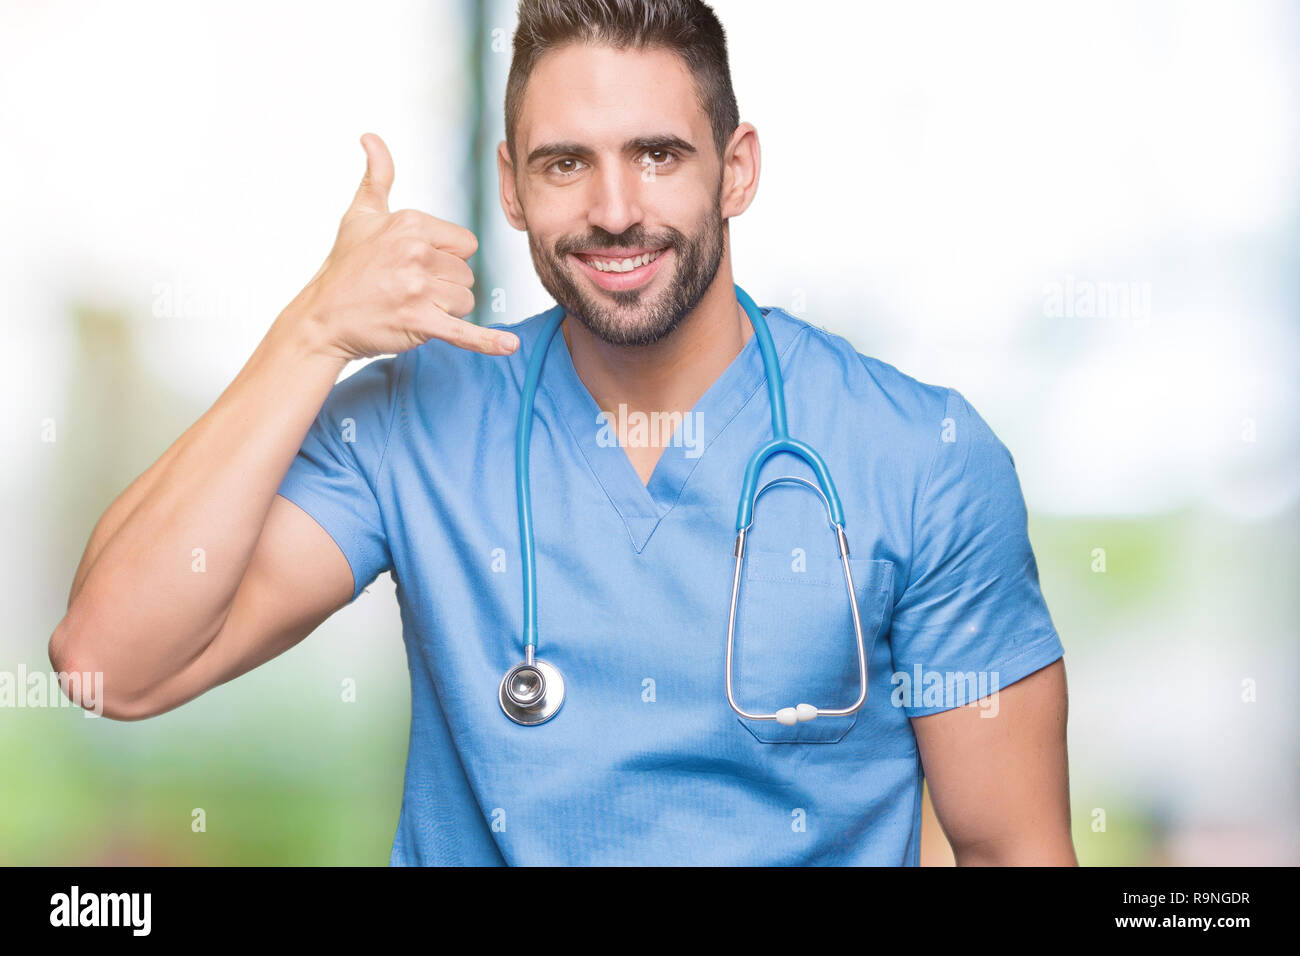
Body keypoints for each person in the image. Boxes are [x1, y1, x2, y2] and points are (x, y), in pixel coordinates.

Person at [51, 0, 1076, 866]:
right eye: (565, 164)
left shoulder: (917, 455)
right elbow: (110, 661)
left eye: (659, 154)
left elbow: (1014, 848)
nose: (615, 208)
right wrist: (310, 331)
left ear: (737, 168)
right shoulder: (421, 422)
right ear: (510, 186)